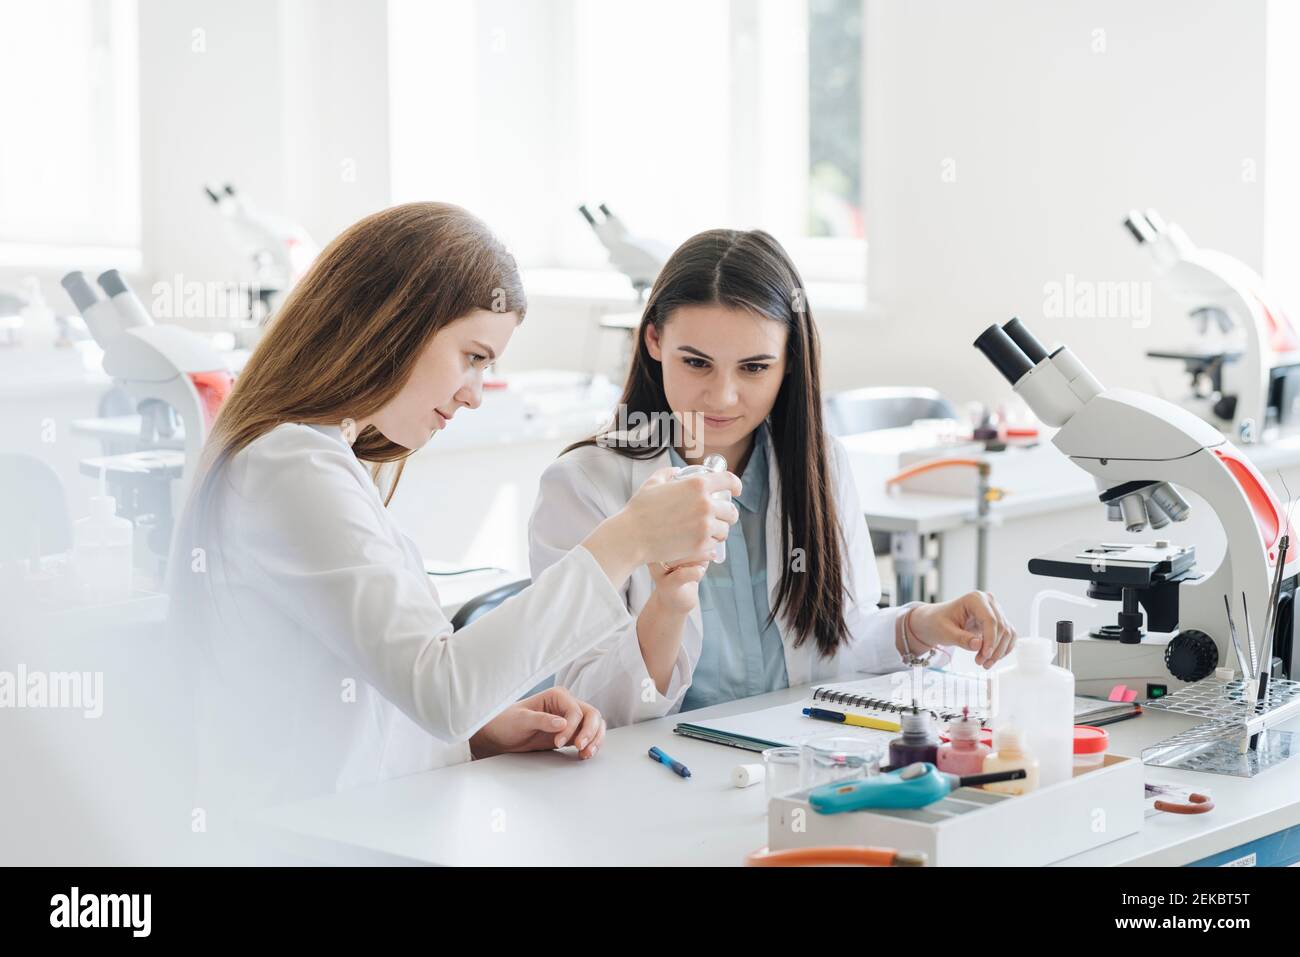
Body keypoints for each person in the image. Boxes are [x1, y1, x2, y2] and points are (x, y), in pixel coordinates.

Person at [168, 203, 741, 825]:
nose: (473, 393)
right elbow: (441, 689)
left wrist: (478, 732)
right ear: (394, 324)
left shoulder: (314, 461)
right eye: (471, 356)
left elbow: (381, 691)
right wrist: (626, 539)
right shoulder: (290, 467)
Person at [529, 228, 1016, 728]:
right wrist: (668, 606)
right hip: (654, 773)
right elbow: (592, 707)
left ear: (789, 362)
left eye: (754, 367)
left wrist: (924, 625)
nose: (721, 397)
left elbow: (840, 639)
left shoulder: (819, 463)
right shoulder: (581, 487)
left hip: (790, 756)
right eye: (696, 362)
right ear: (654, 339)